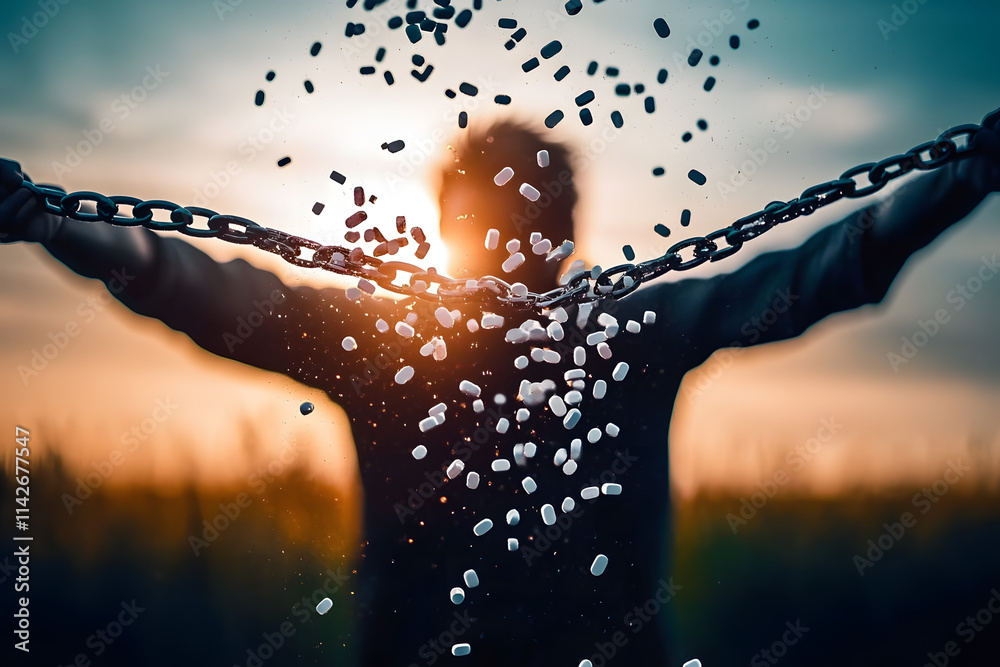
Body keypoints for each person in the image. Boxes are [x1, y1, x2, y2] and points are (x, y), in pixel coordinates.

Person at [1, 111, 998, 666]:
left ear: (565, 235)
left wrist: (961, 177)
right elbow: (197, 283)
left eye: (530, 227)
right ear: (449, 229)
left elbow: (812, 272)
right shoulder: (390, 345)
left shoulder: (625, 329)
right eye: (493, 227)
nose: (514, 253)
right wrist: (57, 222)